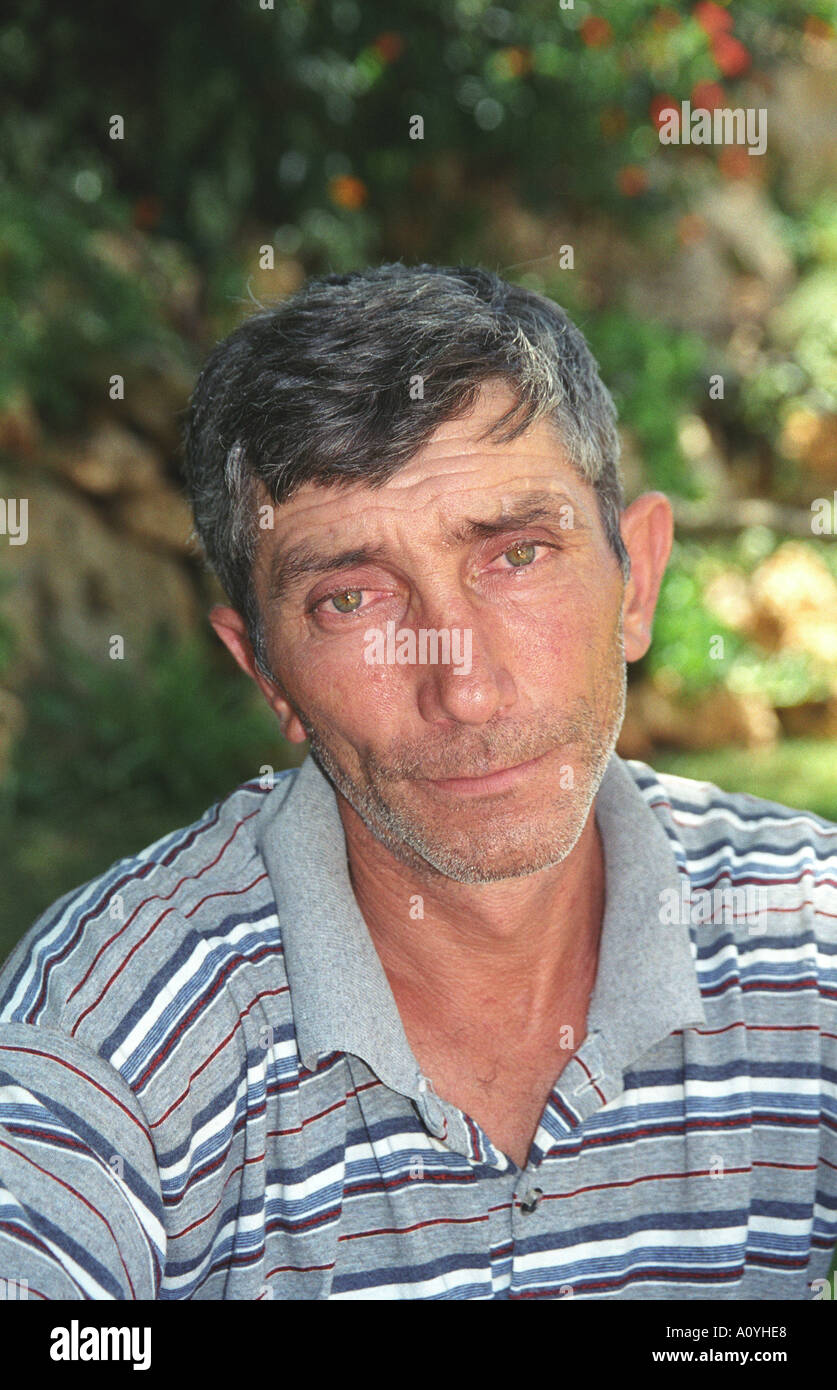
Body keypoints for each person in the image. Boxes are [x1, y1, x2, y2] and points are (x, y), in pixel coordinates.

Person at [1, 262, 835, 1301]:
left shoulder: (803, 931)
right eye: (351, 599)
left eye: (517, 555)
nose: (466, 689)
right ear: (268, 674)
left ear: (638, 580)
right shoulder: (107, 1030)